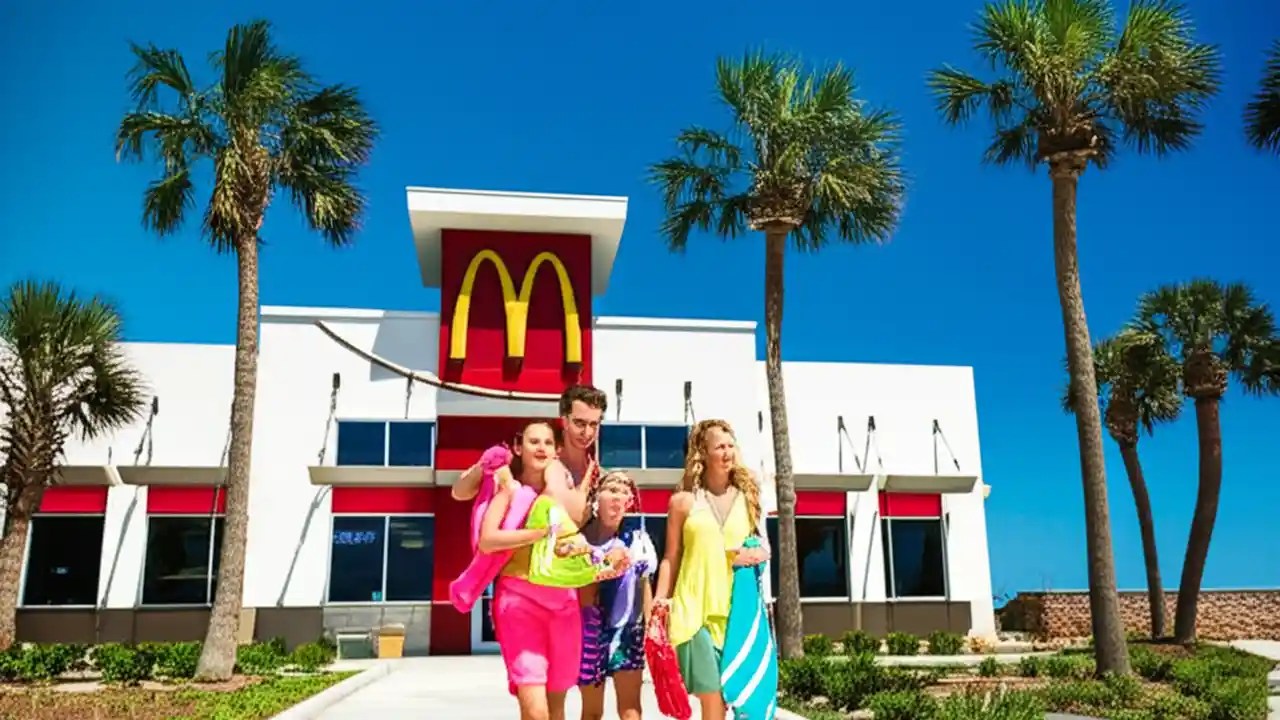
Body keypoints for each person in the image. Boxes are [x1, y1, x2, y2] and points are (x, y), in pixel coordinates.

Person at [650, 419, 770, 719]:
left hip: (736, 612)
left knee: (733, 697)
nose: (727, 453)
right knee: (712, 698)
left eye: (731, 445)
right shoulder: (682, 502)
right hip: (694, 612)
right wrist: (659, 601)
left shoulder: (748, 497)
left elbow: (763, 546)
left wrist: (752, 554)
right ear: (702, 452)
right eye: (720, 446)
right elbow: (671, 556)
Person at [479, 419, 587, 720]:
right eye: (533, 441)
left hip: (563, 604)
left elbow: (575, 538)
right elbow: (487, 541)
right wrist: (539, 534)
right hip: (519, 601)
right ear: (518, 448)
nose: (541, 448)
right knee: (535, 710)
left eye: (548, 442)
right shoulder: (510, 490)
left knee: (556, 710)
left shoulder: (564, 495)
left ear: (557, 451)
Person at [453, 384, 608, 525]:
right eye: (580, 423)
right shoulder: (537, 457)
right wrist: (487, 464)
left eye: (594, 425)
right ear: (565, 421)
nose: (587, 432)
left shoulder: (598, 475)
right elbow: (459, 492)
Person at [577, 471, 655, 720]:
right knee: (591, 712)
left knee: (630, 710)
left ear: (630, 502)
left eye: (624, 492)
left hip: (628, 631)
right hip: (587, 629)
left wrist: (652, 629)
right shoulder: (579, 538)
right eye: (612, 489)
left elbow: (645, 587)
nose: (617, 496)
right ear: (596, 497)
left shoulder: (638, 540)